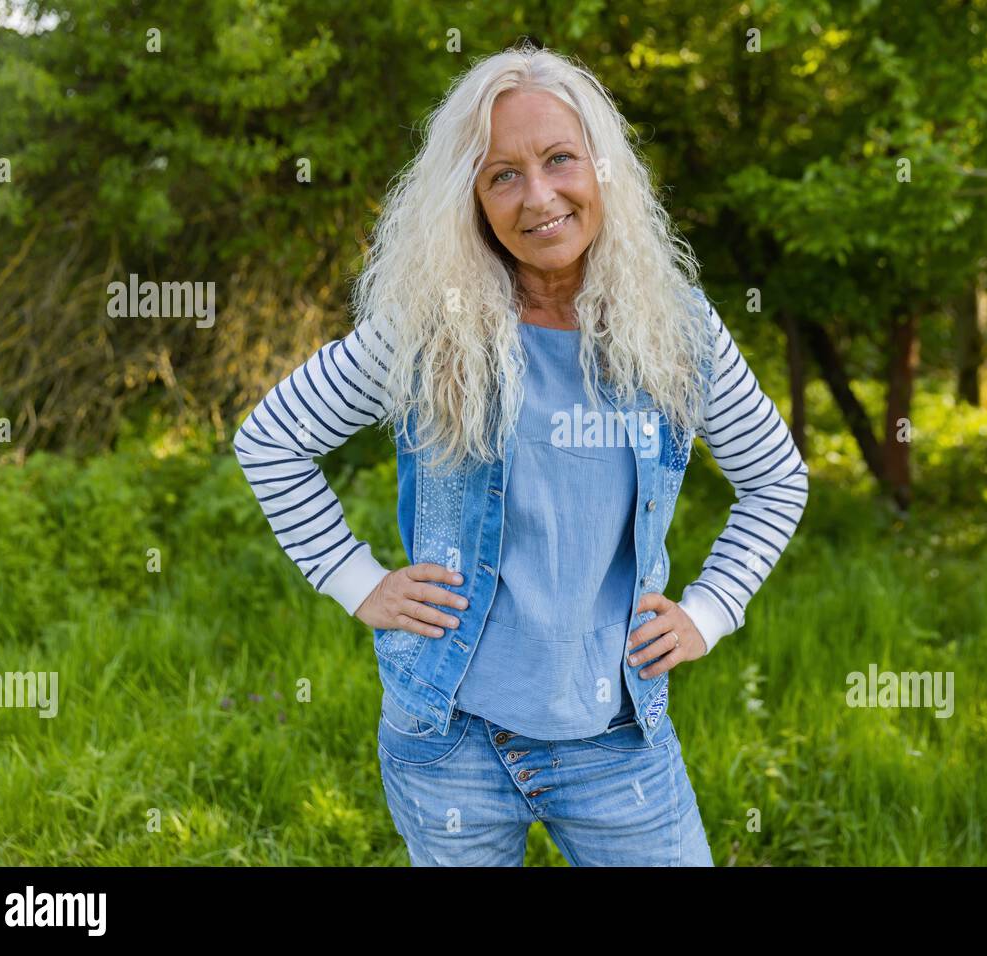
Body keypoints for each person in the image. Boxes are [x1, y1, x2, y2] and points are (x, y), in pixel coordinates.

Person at [233, 41, 808, 866]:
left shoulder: (676, 331)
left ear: (602, 168)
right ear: (469, 196)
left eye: (560, 159)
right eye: (502, 173)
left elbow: (776, 480)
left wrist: (710, 613)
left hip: (616, 742)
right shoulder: (430, 330)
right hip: (447, 738)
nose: (538, 196)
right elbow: (273, 439)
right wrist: (360, 585)